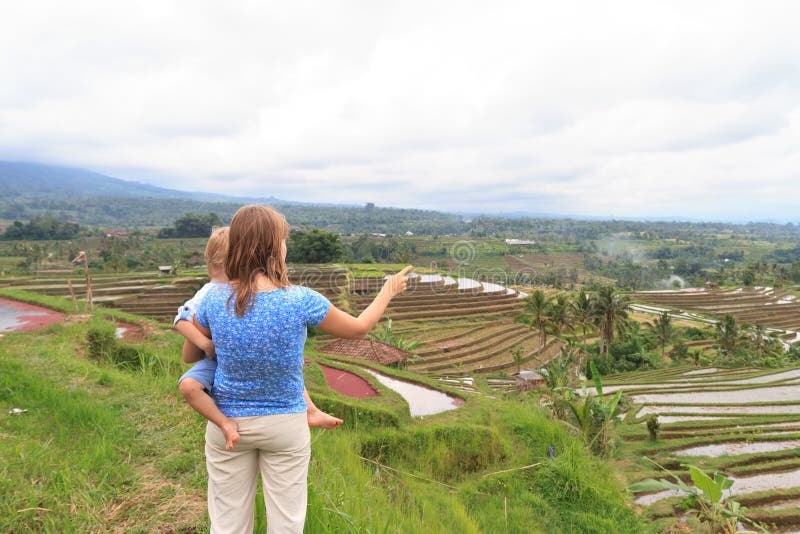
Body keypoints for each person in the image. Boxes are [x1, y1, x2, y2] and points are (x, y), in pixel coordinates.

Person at [194, 204, 412, 534]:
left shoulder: (213, 299)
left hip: (228, 423)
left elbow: (192, 347)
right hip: (285, 425)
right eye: (283, 240)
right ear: (272, 248)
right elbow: (359, 328)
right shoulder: (300, 300)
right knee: (287, 525)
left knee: (227, 524)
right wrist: (388, 290)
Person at [176, 227, 344, 452]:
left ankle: (311, 410)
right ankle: (224, 423)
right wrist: (206, 344)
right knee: (189, 385)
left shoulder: (238, 292)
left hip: (233, 362)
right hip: (217, 360)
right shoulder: (212, 293)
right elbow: (182, 322)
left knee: (283, 367)